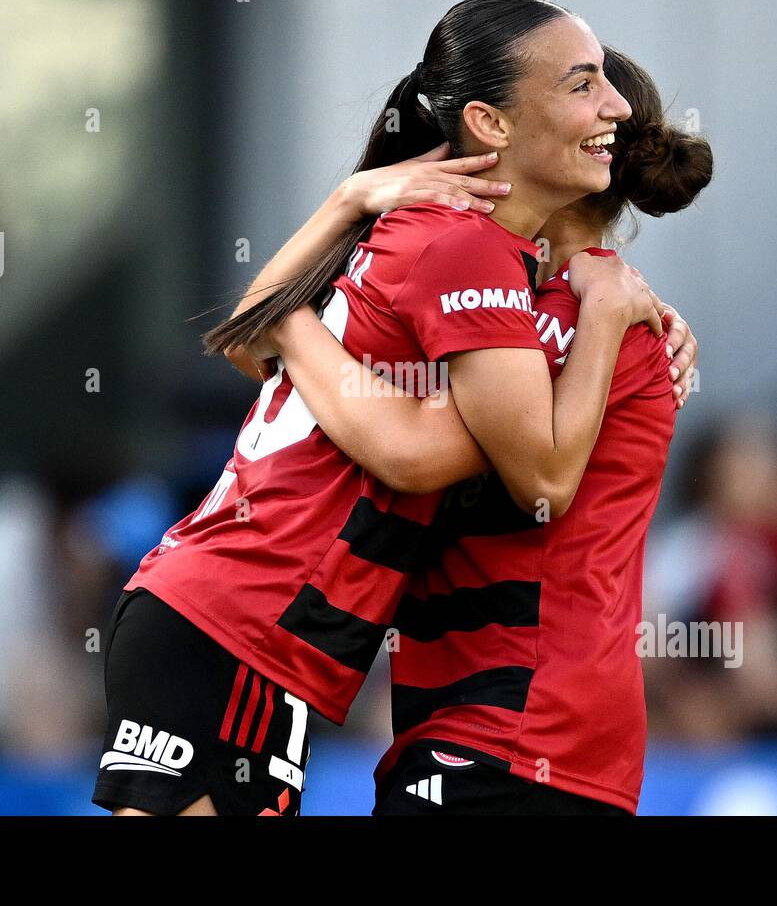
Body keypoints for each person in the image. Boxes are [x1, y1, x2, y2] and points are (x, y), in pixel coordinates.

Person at [93, 0, 666, 816]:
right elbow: (505, 469)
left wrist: (325, 245)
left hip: (226, 617)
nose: (612, 104)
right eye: (582, 85)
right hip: (246, 620)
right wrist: (606, 318)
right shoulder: (465, 245)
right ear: (489, 123)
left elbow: (254, 333)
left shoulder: (436, 238)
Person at [244, 46, 711, 813]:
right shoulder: (571, 314)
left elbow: (410, 449)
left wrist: (286, 323)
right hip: (543, 734)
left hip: (509, 728)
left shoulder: (556, 324)